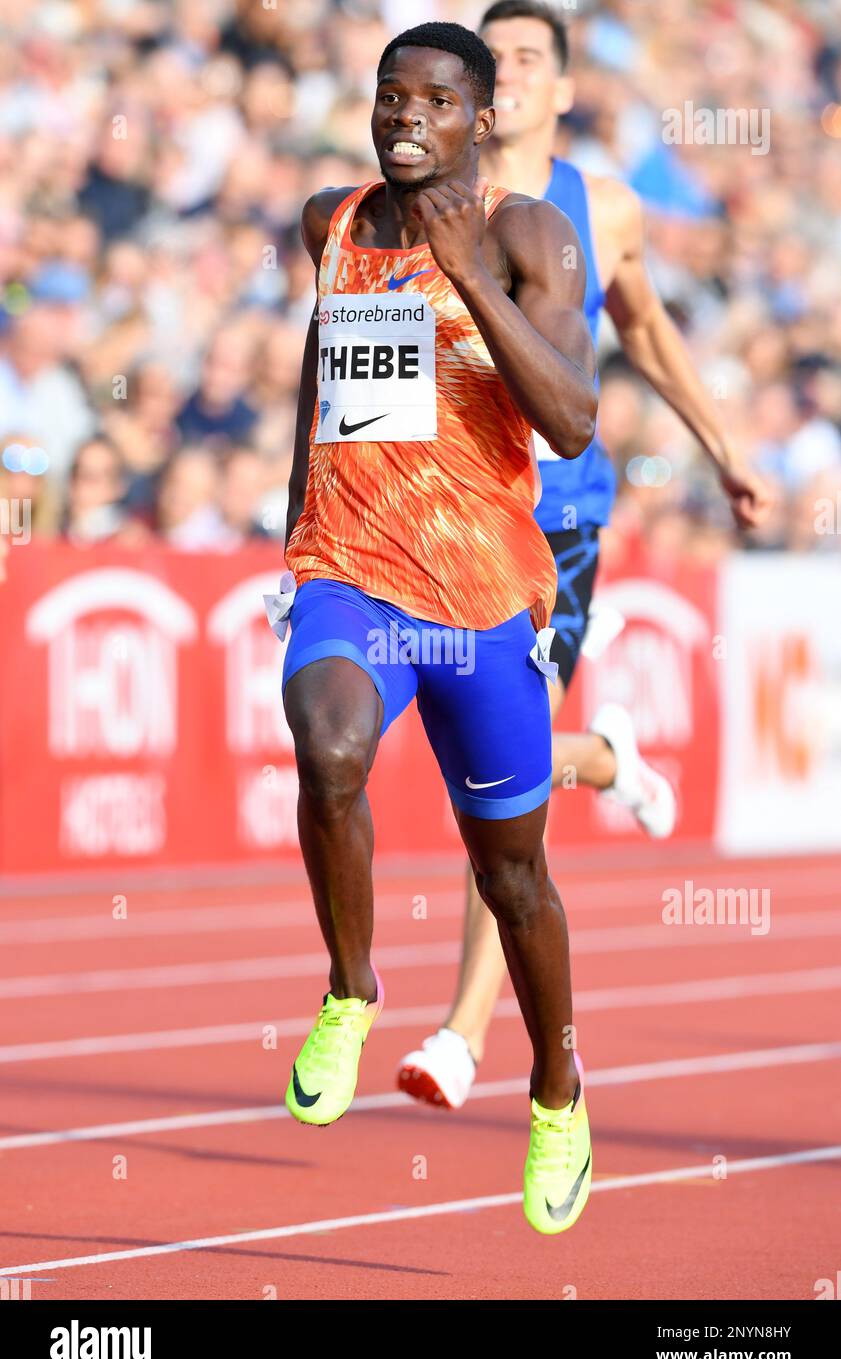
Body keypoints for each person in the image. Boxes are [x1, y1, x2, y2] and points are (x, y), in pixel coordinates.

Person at [397, 0, 773, 1111]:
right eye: (488, 57)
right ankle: (607, 758)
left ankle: (464, 1032)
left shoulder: (600, 207)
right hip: (433, 514)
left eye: (524, 60)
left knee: (496, 775)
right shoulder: (419, 200)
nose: (502, 74)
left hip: (551, 523)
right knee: (461, 755)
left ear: (561, 89)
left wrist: (726, 449)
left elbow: (646, 328)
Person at [271, 20, 597, 1235]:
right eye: (388, 95)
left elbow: (569, 419)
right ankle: (352, 987)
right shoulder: (334, 222)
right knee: (329, 746)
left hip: (482, 602)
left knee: (514, 880)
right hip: (352, 574)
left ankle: (557, 1088)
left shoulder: (527, 234)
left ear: (481, 115)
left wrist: (466, 273)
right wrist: (295, 510)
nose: (405, 116)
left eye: (434, 102)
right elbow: (323, 353)